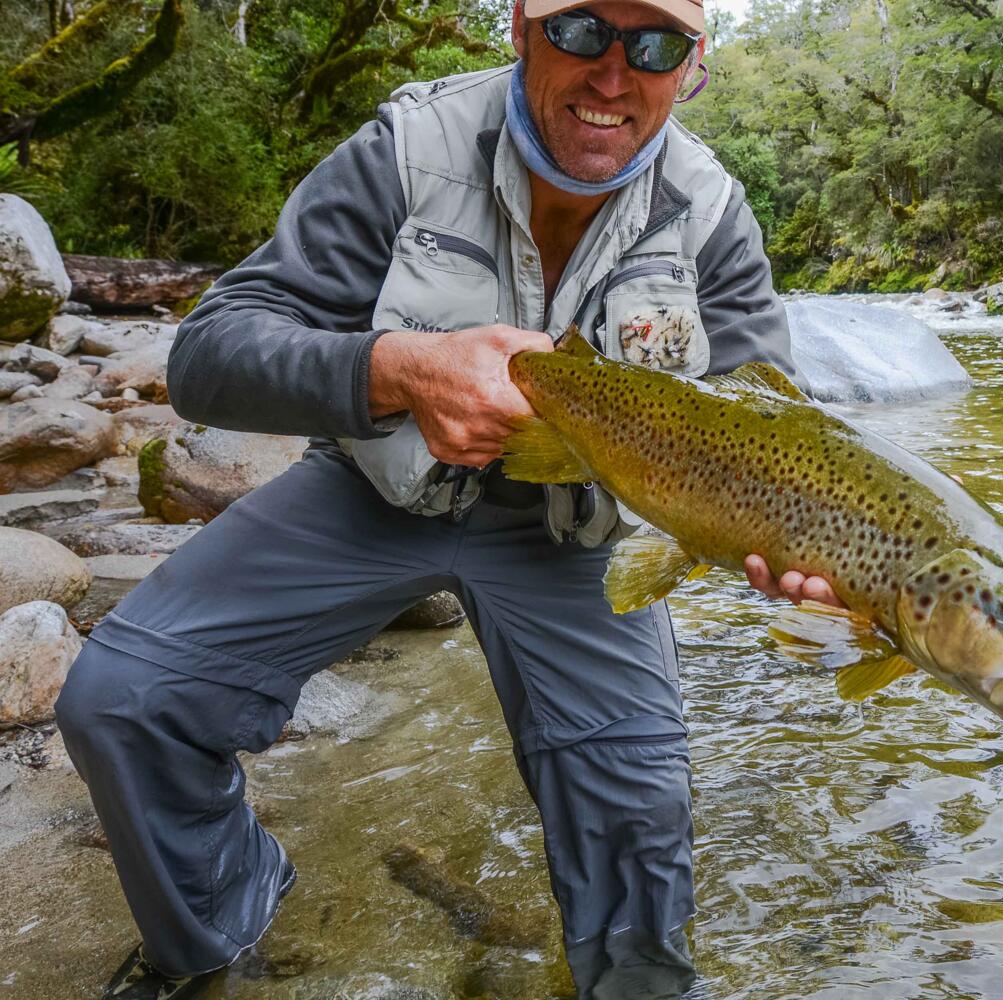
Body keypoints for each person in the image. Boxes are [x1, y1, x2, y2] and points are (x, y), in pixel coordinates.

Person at [53, 2, 836, 996]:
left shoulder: (712, 211)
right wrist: (397, 368)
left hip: (572, 538)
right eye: (584, 32)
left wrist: (779, 539)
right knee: (123, 701)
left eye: (653, 46)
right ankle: (219, 928)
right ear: (521, 27)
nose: (613, 75)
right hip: (371, 489)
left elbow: (771, 420)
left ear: (692, 63)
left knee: (639, 819)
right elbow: (208, 355)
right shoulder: (404, 149)